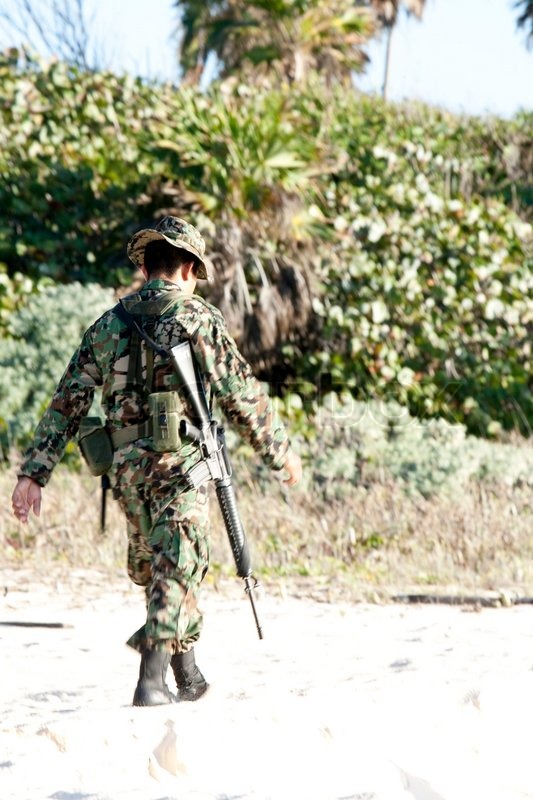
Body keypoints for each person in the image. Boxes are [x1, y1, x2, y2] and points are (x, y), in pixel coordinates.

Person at [11, 216, 302, 707]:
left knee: (160, 566)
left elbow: (68, 402)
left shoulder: (107, 325)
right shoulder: (198, 319)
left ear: (146, 266)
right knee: (180, 564)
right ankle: (150, 683)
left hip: (126, 473)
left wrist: (32, 473)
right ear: (188, 268)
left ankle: (187, 672)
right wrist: (281, 453)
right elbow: (241, 394)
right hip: (180, 466)